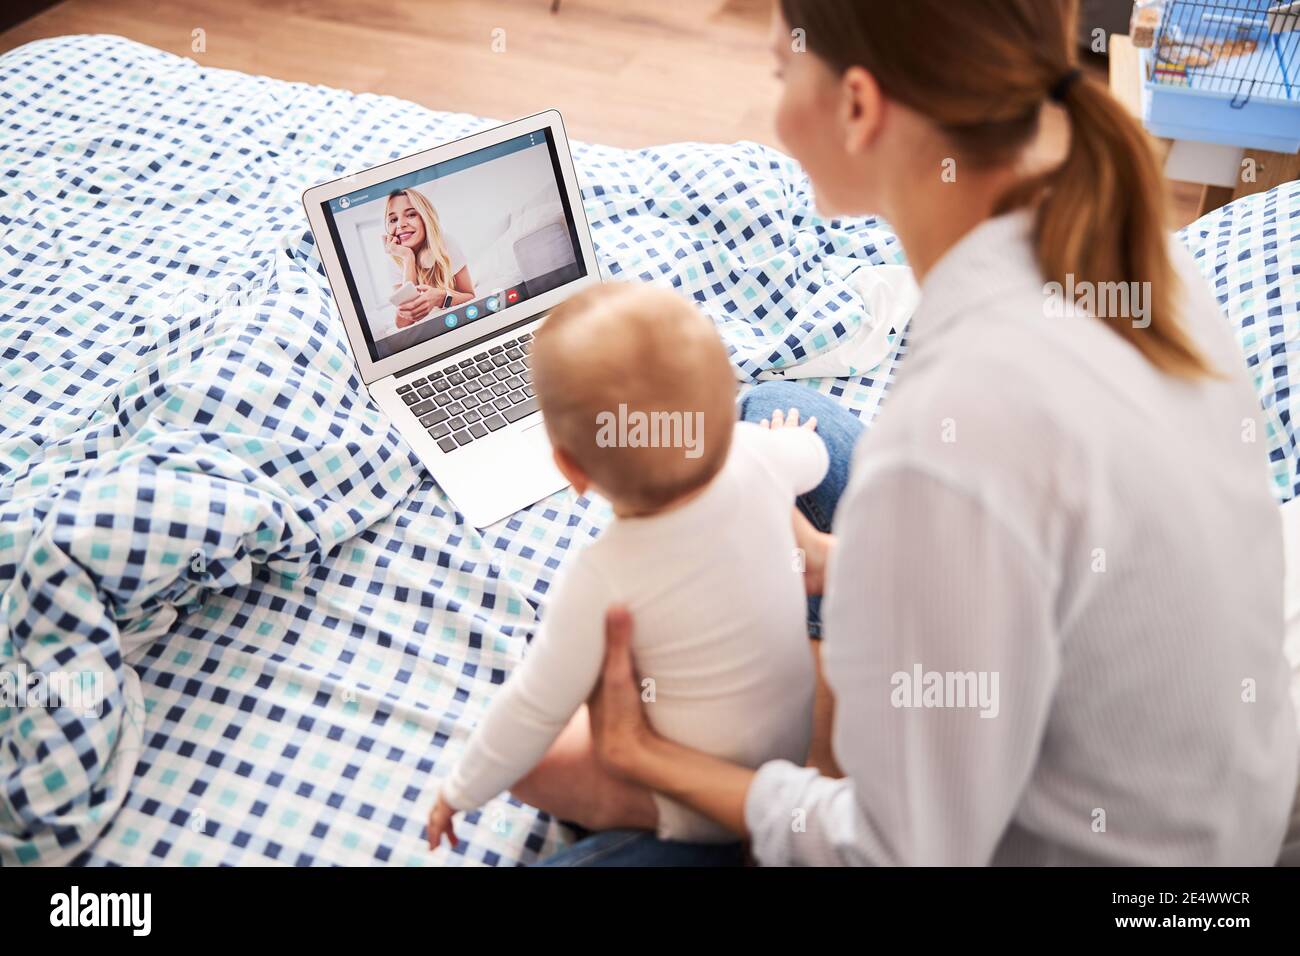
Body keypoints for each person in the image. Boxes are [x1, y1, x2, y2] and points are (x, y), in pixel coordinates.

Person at [522, 0, 1298, 866]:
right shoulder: (1117, 242)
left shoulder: (947, 440)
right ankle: (799, 732)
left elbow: (901, 853)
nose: (776, 108)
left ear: (858, 105)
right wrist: (835, 562)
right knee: (789, 412)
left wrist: (651, 763)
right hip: (1186, 769)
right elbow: (1039, 549)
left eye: (784, 71)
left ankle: (715, 782)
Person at [425, 282, 827, 859]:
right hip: (794, 738)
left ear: (570, 468)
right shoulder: (756, 453)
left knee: (533, 763)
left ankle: (672, 826)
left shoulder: (600, 578)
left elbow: (532, 706)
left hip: (702, 796)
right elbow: (813, 459)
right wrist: (784, 443)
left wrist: (458, 791)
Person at [381, 187, 476, 330]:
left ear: (426, 218)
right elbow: (403, 323)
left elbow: (469, 295)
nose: (400, 224)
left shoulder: (446, 243)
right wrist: (408, 258)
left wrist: (441, 298)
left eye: (411, 214)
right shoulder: (396, 258)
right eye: (393, 219)